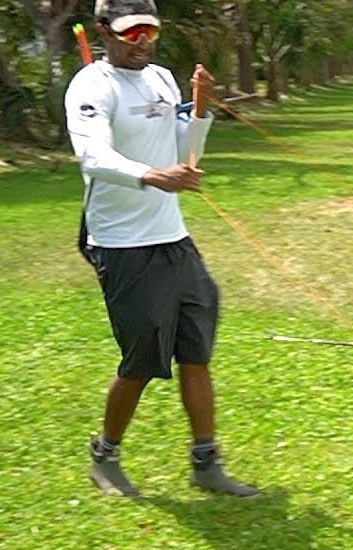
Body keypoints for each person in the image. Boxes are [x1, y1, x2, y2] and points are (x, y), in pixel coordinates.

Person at [65, 0, 257, 498]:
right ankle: (104, 456)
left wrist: (203, 105)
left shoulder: (163, 78)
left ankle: (206, 463)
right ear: (105, 32)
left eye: (149, 31)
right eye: (131, 33)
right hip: (122, 243)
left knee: (196, 349)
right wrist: (150, 175)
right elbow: (92, 154)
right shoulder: (92, 85)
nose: (142, 42)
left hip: (173, 238)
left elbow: (183, 156)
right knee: (142, 357)